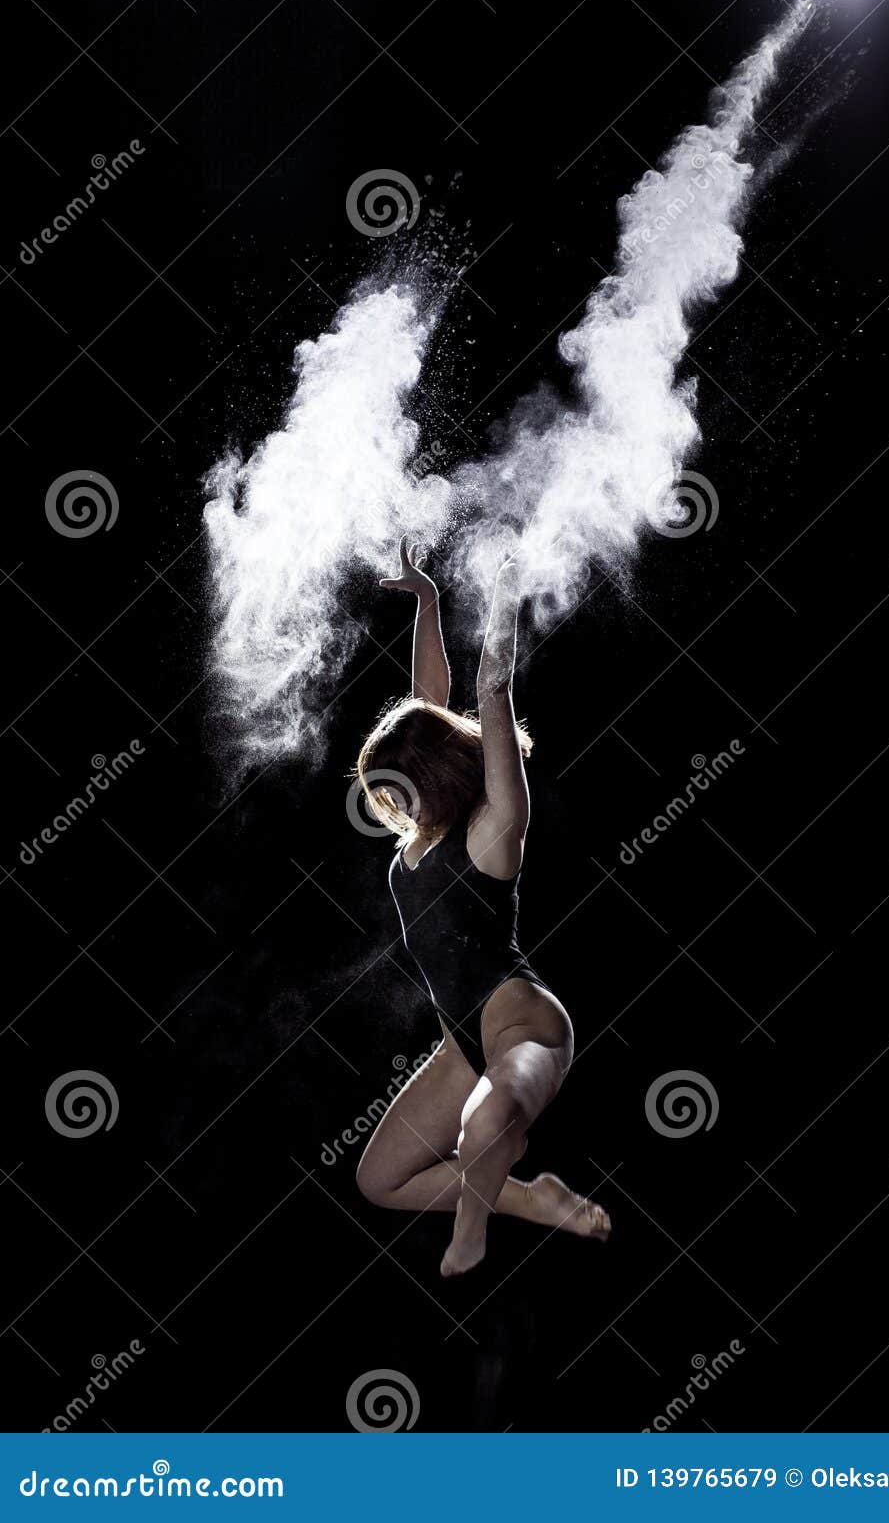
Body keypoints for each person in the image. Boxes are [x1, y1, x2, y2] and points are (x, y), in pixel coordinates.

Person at [352, 538, 611, 1276]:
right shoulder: (428, 831)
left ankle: (475, 1225)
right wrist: (428, 600)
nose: (386, 808)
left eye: (392, 791)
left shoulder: (492, 830)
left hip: (525, 1026)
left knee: (488, 1121)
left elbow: (490, 693)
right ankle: (525, 1198)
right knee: (378, 1180)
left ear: (428, 779)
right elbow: (425, 703)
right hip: (461, 1044)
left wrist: (503, 597)